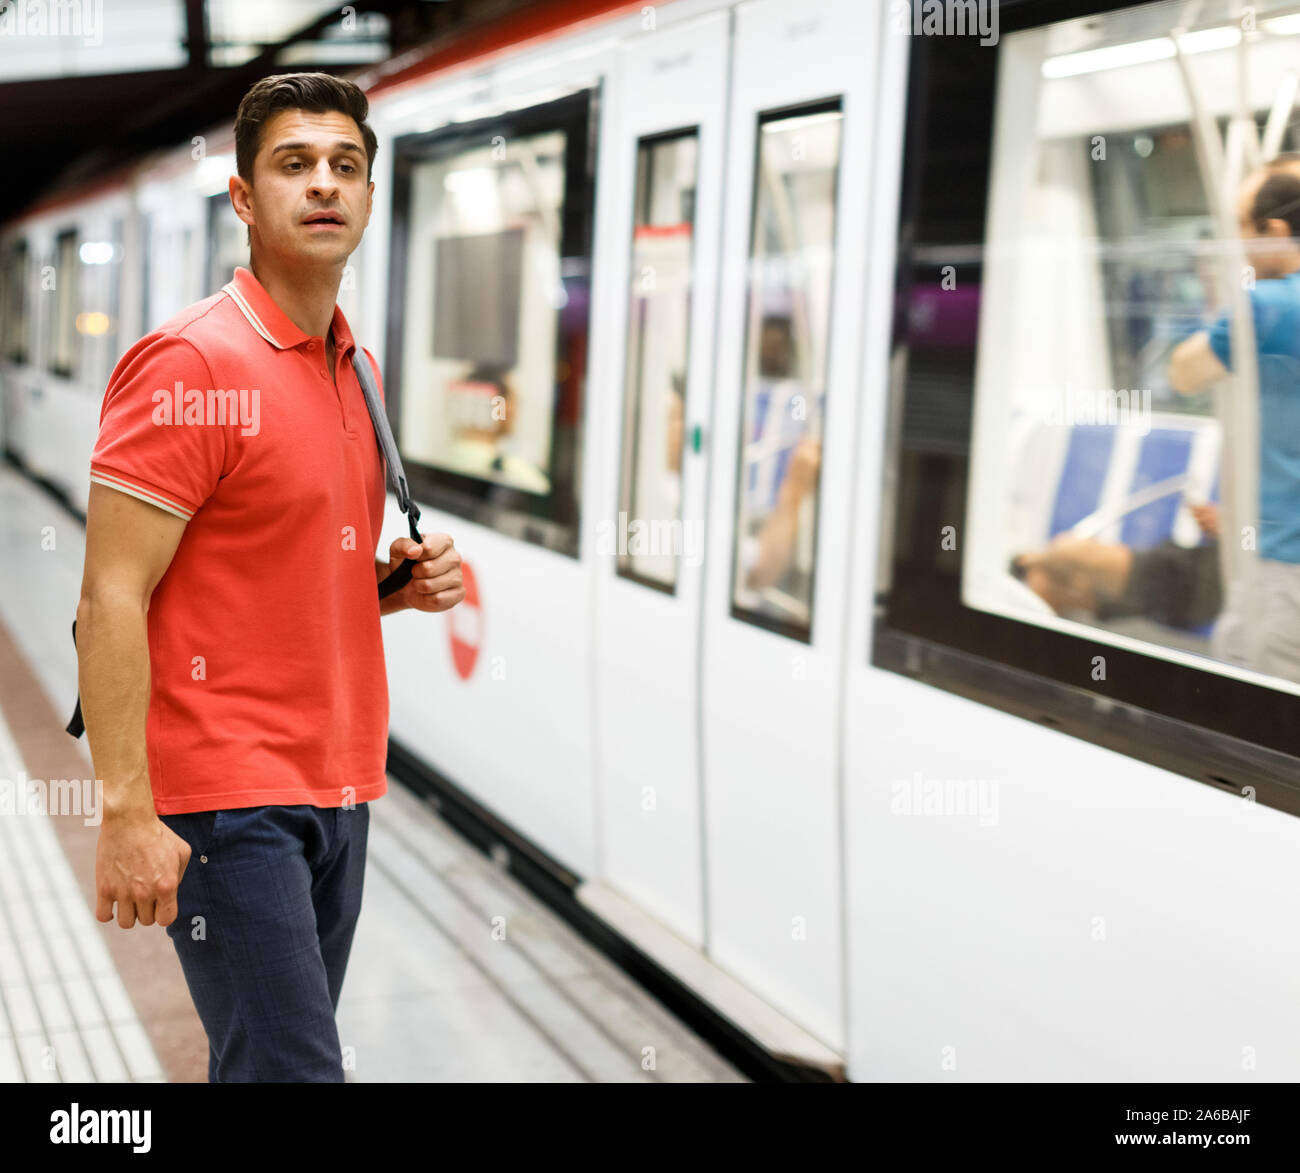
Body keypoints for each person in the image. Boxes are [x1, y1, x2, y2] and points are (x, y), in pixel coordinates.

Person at [75, 73, 466, 1083]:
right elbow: (109, 596)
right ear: (245, 200)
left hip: (339, 787)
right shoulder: (189, 366)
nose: (325, 185)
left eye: (346, 167)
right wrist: (124, 811)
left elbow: (267, 568)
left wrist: (391, 586)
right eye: (294, 166)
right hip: (224, 800)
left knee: (261, 1068)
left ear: (372, 196)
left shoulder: (354, 366)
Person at [1167, 163, 1300, 680]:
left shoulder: (1268, 307)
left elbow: (1184, 373)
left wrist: (1225, 303)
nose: (1237, 245)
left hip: (1284, 568)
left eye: (1242, 227)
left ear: (1276, 231)